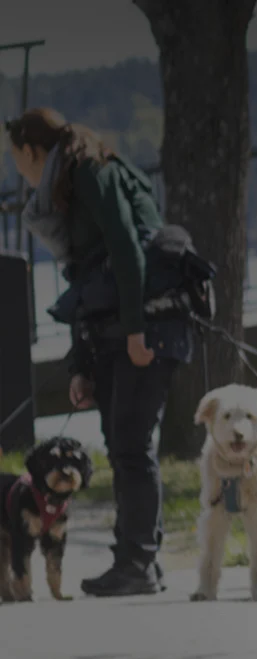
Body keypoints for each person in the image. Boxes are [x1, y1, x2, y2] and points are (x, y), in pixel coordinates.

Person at [7, 108, 193, 597]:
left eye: (17, 160)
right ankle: (141, 560)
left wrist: (135, 331)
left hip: (147, 323)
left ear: (32, 151)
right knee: (123, 441)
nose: (18, 172)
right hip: (113, 329)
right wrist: (81, 365)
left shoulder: (92, 171)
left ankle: (136, 561)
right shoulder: (68, 182)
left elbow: (127, 248)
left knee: (130, 441)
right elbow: (86, 279)